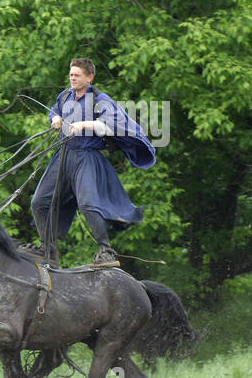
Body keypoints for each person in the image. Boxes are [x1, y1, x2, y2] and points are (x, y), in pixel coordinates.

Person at [28, 58, 156, 267]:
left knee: (88, 204)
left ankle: (106, 251)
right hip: (63, 155)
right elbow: (54, 110)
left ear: (89, 78)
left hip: (86, 157)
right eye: (71, 74)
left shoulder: (100, 99)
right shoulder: (66, 95)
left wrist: (85, 125)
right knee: (39, 202)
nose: (72, 78)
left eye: (77, 75)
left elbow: (113, 123)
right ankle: (47, 249)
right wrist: (55, 119)